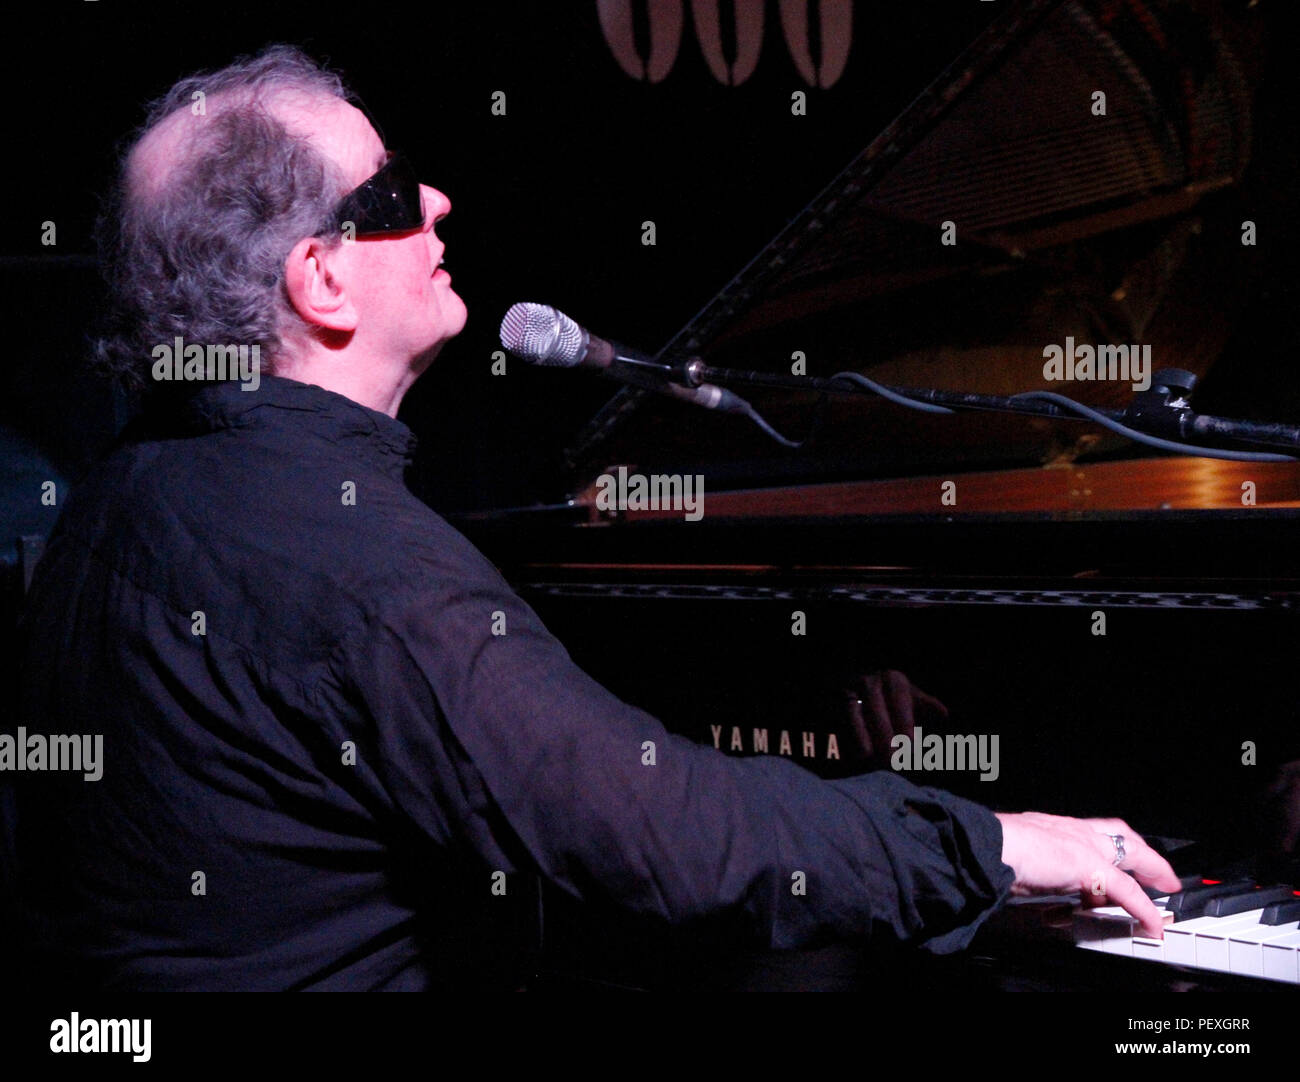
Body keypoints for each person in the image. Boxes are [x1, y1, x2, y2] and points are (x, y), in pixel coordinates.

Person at [1, 45, 1178, 991]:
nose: (443, 200)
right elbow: (676, 837)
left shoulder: (119, 501)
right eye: (396, 196)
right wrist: (990, 841)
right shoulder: (358, 565)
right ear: (319, 279)